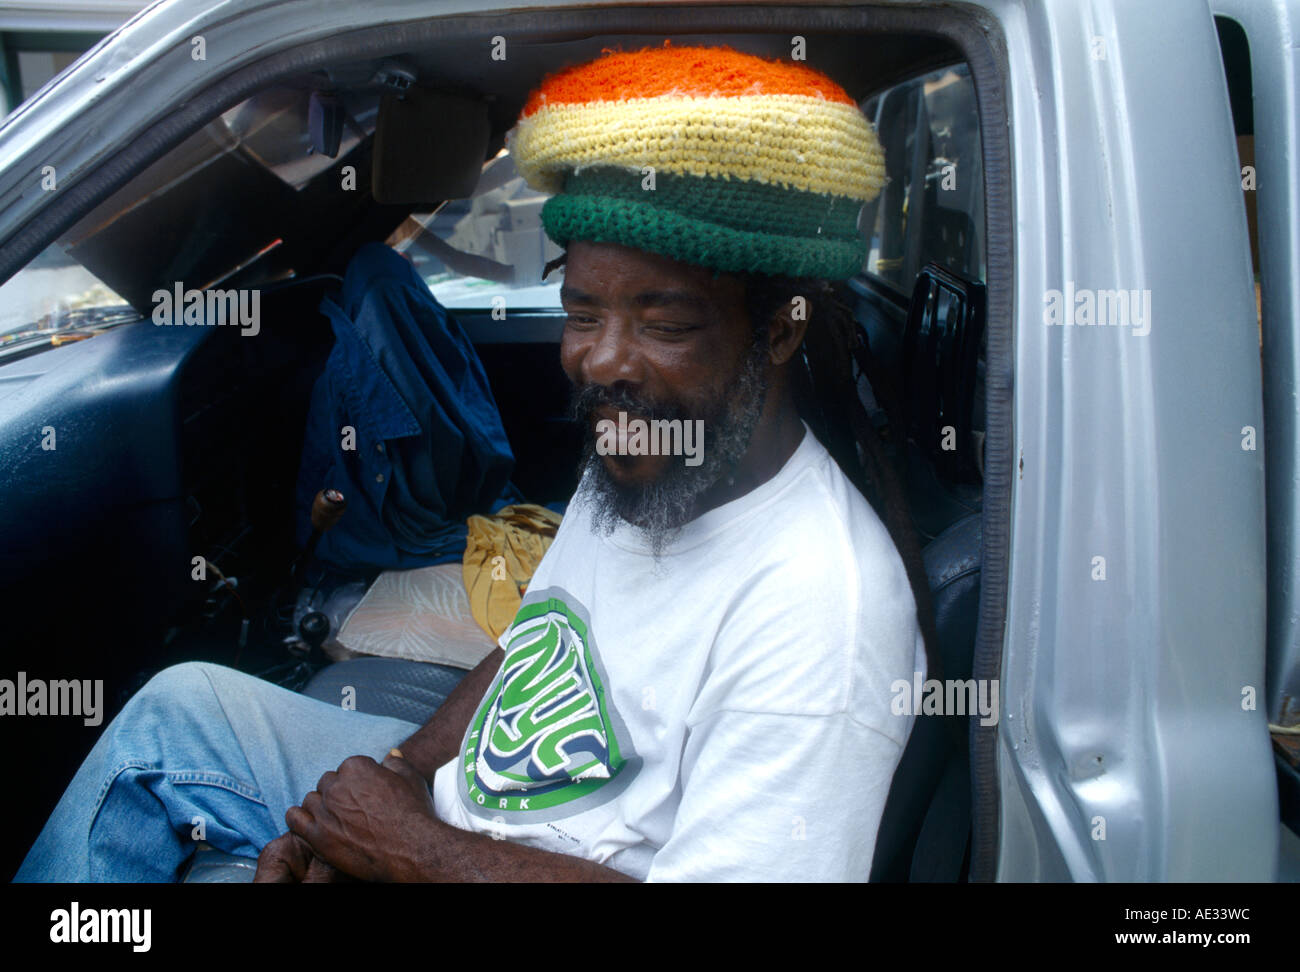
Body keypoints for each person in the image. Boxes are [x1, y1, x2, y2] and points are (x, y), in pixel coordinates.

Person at [15, 43, 928, 883]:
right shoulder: (651, 457)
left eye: (666, 323)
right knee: (179, 715)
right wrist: (402, 774)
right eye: (581, 314)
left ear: (778, 331)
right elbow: (540, 641)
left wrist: (411, 850)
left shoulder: (824, 610)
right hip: (464, 820)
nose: (602, 363)